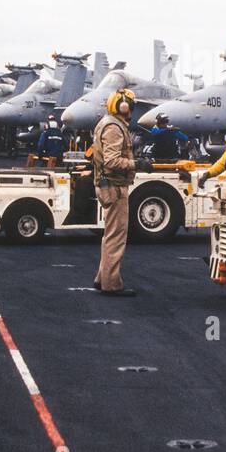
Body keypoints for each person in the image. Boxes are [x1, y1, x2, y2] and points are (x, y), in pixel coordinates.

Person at [92, 88, 144, 297]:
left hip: (109, 185)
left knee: (110, 235)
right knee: (116, 237)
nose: (132, 109)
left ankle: (102, 278)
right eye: (130, 105)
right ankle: (111, 284)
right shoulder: (114, 127)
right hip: (114, 187)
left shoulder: (107, 123)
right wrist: (136, 163)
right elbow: (112, 161)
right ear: (124, 106)